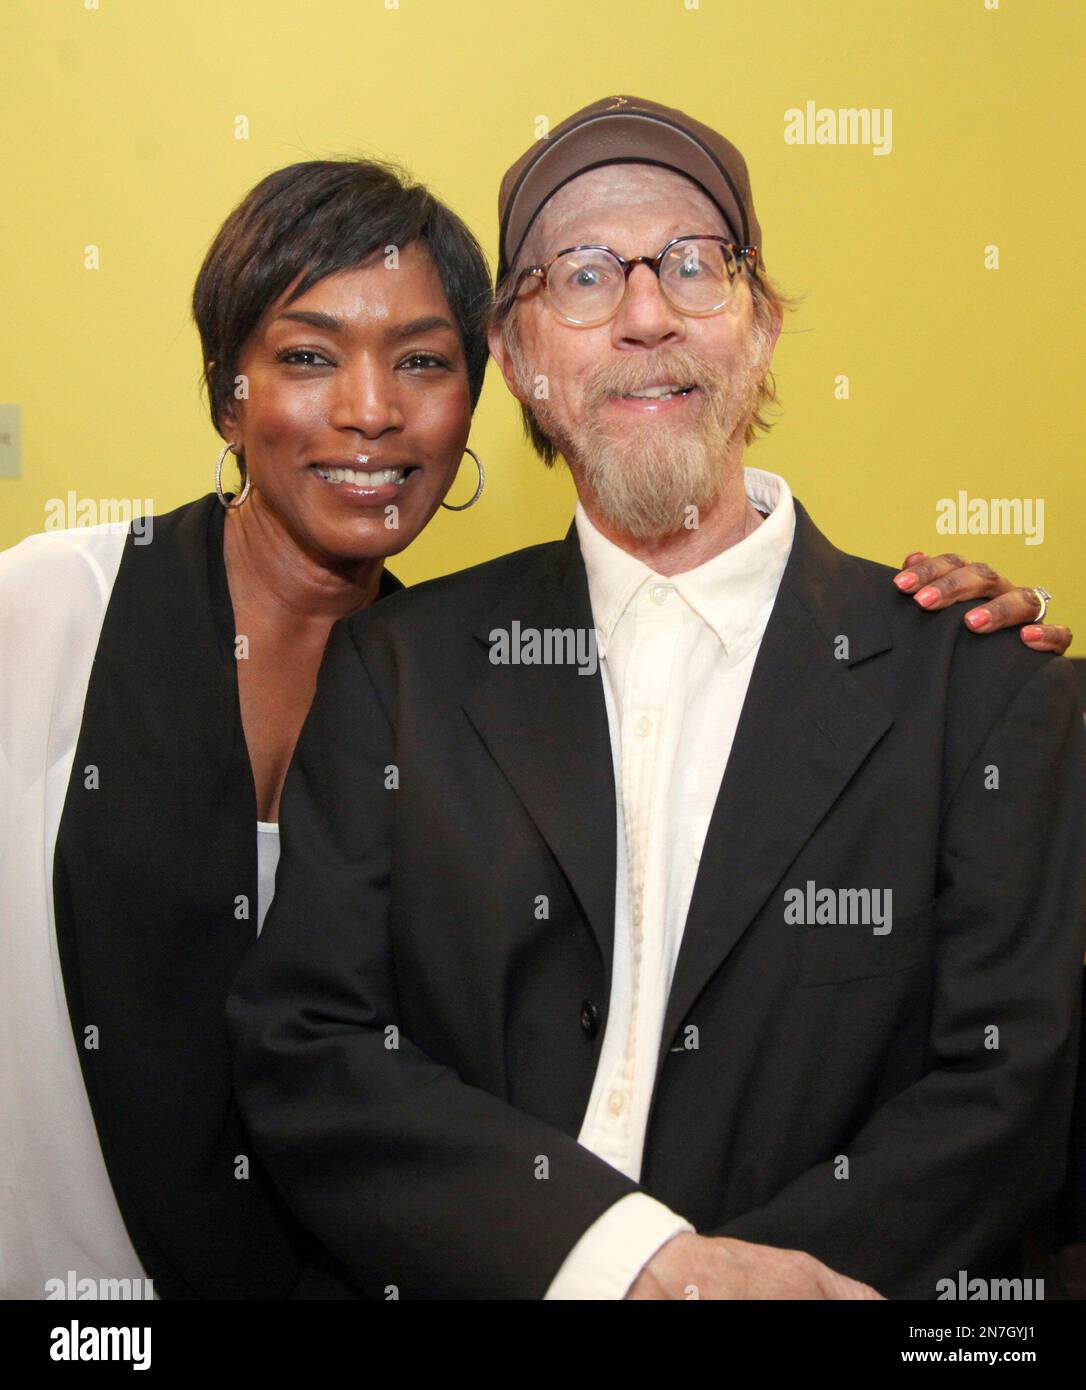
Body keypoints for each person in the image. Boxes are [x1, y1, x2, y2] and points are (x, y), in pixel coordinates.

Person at [227, 96, 1086, 1300]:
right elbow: (309, 1045)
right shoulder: (400, 671)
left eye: (694, 264)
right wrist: (635, 1268)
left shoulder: (988, 685)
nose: (645, 314)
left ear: (763, 327)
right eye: (582, 274)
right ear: (517, 360)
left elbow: (1010, 1085)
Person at [0, 157, 492, 1299]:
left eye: (422, 360)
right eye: (309, 356)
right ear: (230, 395)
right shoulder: (53, 608)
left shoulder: (469, 700)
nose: (371, 410)